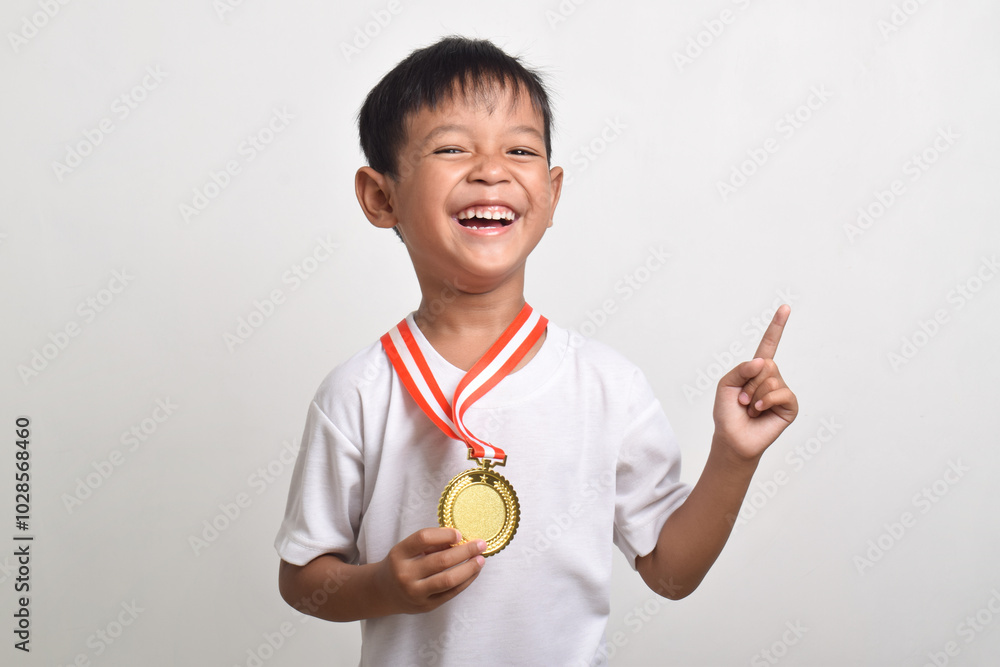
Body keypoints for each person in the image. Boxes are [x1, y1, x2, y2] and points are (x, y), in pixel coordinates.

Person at [274, 36, 798, 666]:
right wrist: (380, 586)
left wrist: (734, 456)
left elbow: (671, 574)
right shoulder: (358, 391)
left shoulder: (609, 385)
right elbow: (303, 579)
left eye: (519, 149)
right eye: (451, 148)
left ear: (550, 194)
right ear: (381, 197)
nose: (492, 168)